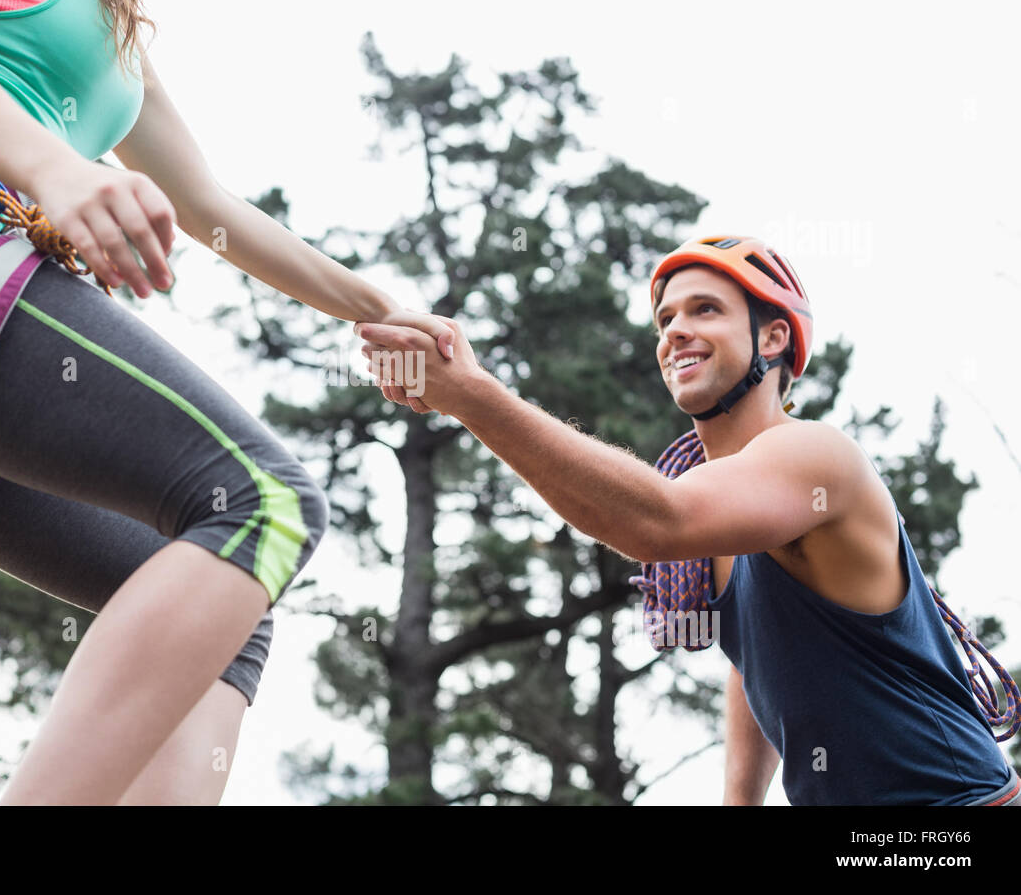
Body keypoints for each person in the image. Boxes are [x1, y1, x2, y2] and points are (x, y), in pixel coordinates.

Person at [0, 0, 452, 805]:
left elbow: (210, 208)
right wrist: (55, 168)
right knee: (261, 500)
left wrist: (375, 310)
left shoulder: (114, 23)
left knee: (229, 621)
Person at [355, 234, 1020, 805]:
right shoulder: (732, 513)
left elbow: (657, 522)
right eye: (665, 318)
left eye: (705, 309)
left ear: (773, 336)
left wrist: (473, 396)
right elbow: (754, 654)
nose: (673, 331)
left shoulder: (815, 457)